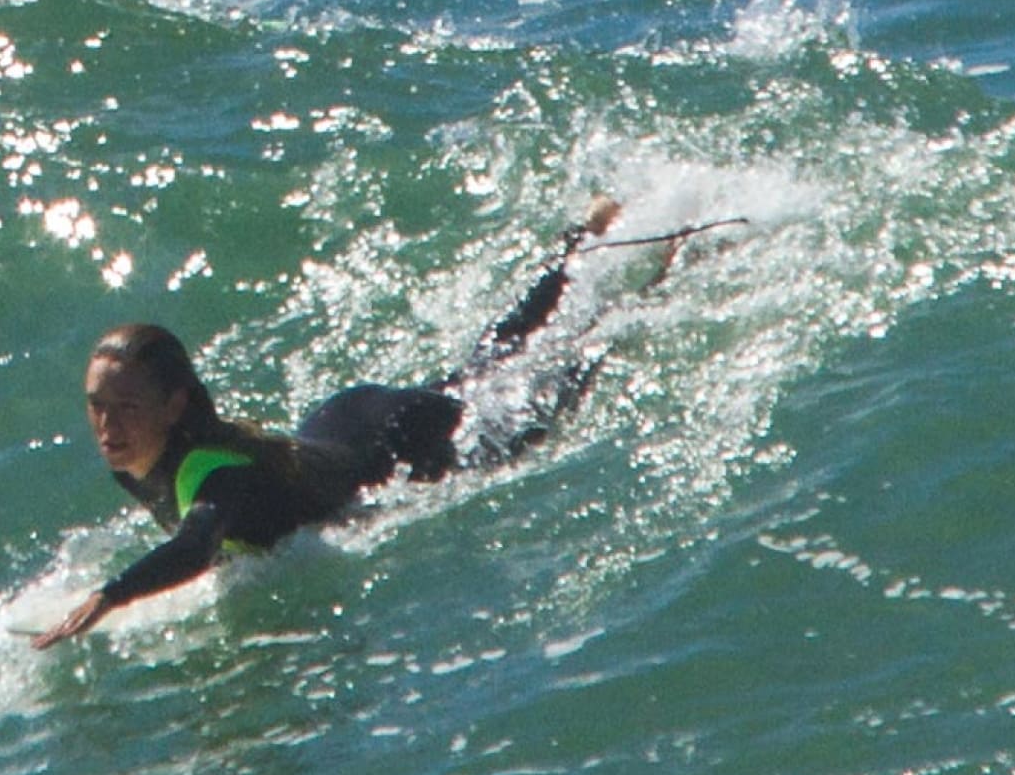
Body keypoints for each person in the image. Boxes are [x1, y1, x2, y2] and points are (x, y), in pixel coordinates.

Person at [38, 197, 640, 647]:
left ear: (172, 407)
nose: (107, 425)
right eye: (97, 406)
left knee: (537, 394)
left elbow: (196, 547)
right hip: (341, 421)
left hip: (395, 437)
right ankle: (582, 240)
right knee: (485, 363)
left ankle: (637, 288)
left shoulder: (207, 470)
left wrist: (109, 595)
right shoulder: (141, 459)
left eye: (126, 408)